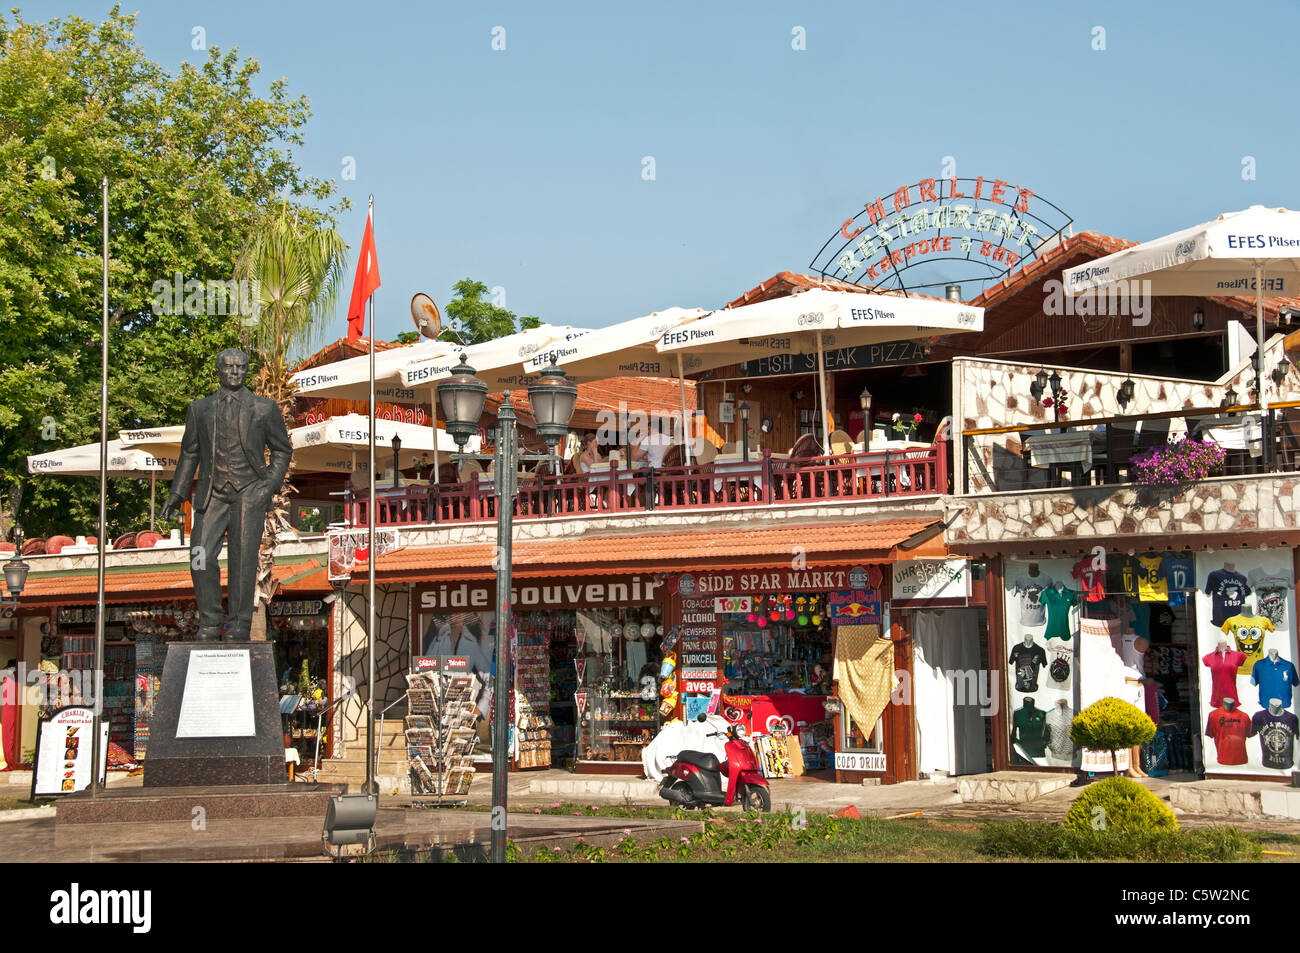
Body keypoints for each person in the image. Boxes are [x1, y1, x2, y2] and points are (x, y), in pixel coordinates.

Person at [159, 348, 293, 641]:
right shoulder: (200, 409)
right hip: (212, 493)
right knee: (199, 555)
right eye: (229, 367)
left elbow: (282, 450)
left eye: (241, 367)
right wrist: (176, 494)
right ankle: (208, 622)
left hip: (249, 492)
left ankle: (239, 624)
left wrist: (267, 486)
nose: (235, 372)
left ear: (247, 370)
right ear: (218, 370)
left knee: (243, 561)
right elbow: (189, 453)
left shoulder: (264, 408)